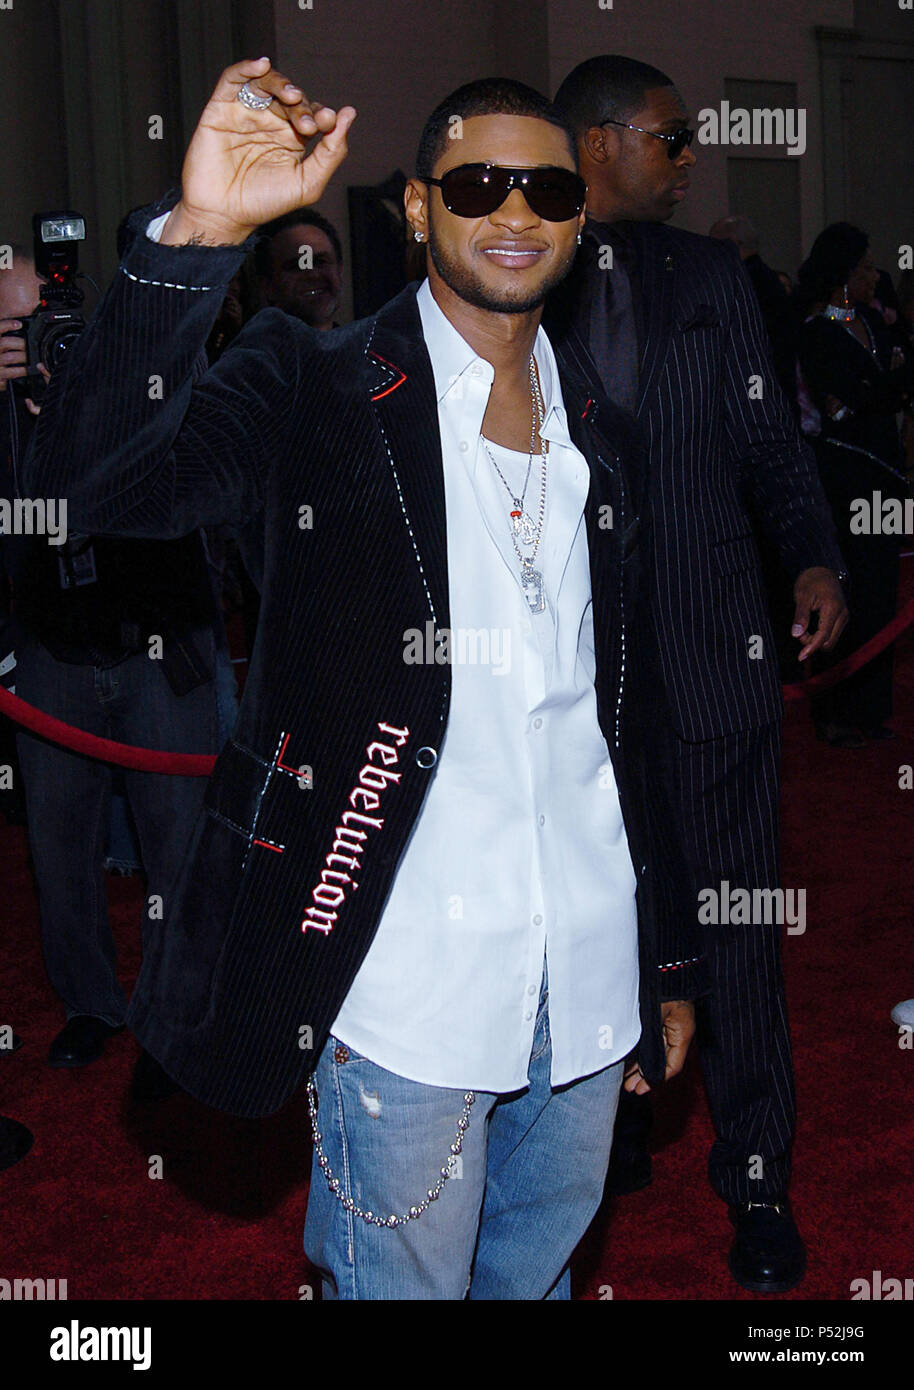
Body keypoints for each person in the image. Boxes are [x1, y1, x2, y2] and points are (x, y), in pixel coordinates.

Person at [25, 58, 701, 1301]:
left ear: (578, 215)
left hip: (589, 978)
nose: (514, 211)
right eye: (479, 182)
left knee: (536, 1287)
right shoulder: (310, 383)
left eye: (546, 188)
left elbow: (623, 724)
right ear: (414, 205)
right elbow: (81, 493)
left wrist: (662, 960)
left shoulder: (603, 426)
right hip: (403, 985)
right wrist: (203, 235)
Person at [550, 54, 848, 1293]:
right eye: (669, 140)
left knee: (730, 930)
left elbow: (767, 438)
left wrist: (816, 559)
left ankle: (758, 1177)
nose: (685, 161)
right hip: (567, 682)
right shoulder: (512, 268)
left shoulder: (716, 278)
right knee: (592, 920)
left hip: (712, 661)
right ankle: (605, 1129)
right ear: (599, 141)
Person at [4, 243, 224, 1071]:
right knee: (60, 855)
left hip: (156, 651)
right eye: (15, 326)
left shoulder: (139, 390)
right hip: (47, 657)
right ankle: (92, 1005)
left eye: (49, 320)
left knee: (178, 852)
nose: (38, 338)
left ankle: (178, 1019)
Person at [795, 222, 914, 745]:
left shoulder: (868, 321)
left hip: (884, 473)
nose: (876, 275)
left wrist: (878, 389)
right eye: (866, 266)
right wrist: (881, 389)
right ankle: (836, 710)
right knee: (849, 584)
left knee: (882, 587)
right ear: (844, 273)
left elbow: (878, 393)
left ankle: (870, 709)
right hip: (844, 477)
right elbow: (843, 404)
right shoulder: (819, 329)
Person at [709, 214, 797, 406]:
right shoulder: (765, 279)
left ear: (731, 244)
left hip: (756, 387)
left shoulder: (741, 282)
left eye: (712, 245)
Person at [254, 206, 343, 330]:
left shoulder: (369, 347)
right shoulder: (249, 348)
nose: (312, 275)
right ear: (268, 286)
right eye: (295, 266)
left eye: (320, 262)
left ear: (340, 269)